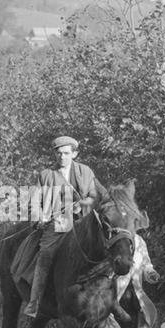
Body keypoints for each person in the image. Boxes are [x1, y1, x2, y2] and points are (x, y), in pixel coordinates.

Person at [24, 135, 109, 318]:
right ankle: (35, 301)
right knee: (45, 254)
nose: (62, 157)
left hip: (84, 223)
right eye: (59, 153)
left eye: (66, 153)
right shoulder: (45, 175)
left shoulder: (86, 172)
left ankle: (111, 305)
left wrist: (83, 204)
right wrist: (39, 218)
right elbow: (33, 202)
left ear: (74, 154)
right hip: (58, 224)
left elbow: (96, 196)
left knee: (110, 251)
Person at [90, 233, 160, 328]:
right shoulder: (113, 237)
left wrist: (151, 273)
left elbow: (146, 264)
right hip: (115, 290)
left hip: (134, 291)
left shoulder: (139, 241)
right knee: (114, 326)